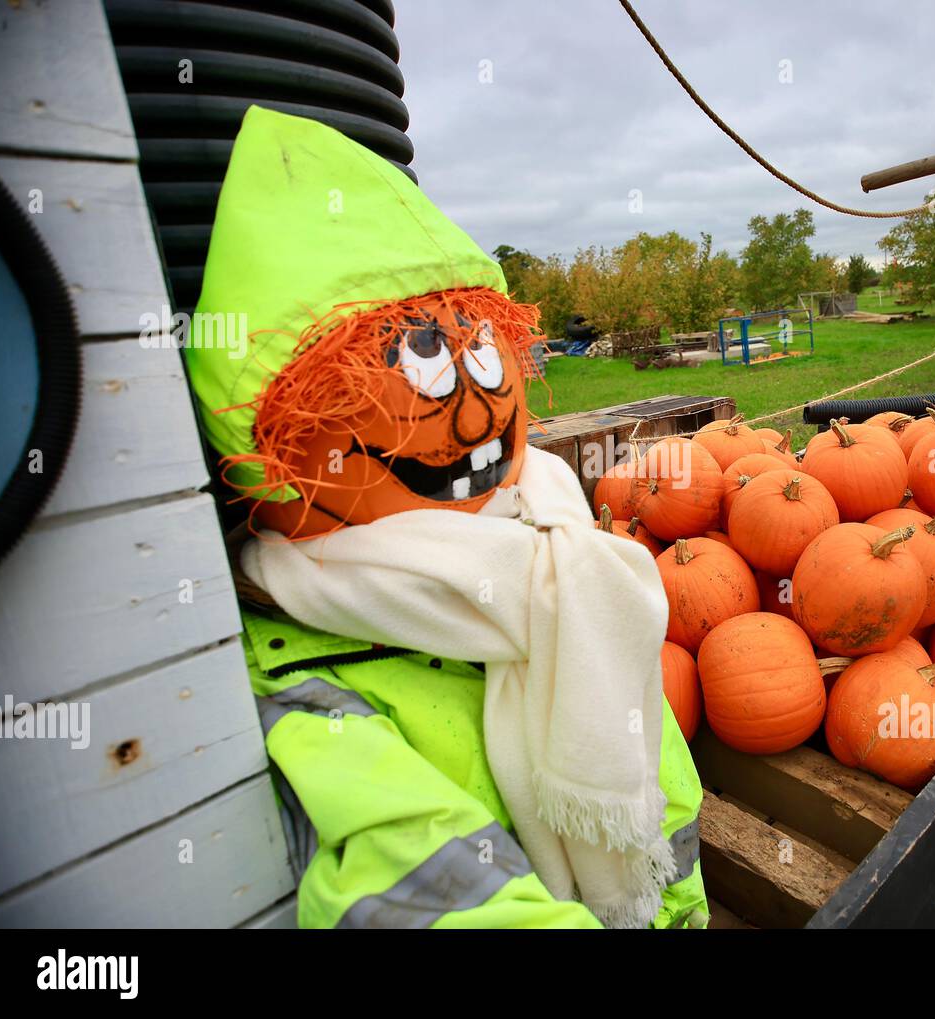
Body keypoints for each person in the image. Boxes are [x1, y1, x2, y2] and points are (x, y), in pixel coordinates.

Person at [184, 106, 707, 929]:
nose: (474, 426)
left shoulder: (566, 560)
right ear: (268, 454)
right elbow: (427, 888)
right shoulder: (311, 684)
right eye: (421, 376)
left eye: (485, 358)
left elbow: (661, 789)